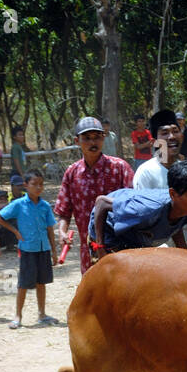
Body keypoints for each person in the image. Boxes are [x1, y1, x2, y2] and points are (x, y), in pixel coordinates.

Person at [54, 116, 133, 273]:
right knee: (93, 295)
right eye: (87, 138)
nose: (92, 142)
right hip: (88, 252)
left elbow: (133, 206)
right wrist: (62, 232)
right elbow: (64, 211)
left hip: (119, 249)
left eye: (97, 137)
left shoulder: (120, 168)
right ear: (77, 141)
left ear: (103, 138)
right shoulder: (72, 173)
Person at [90, 158, 187, 256]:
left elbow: (175, 226)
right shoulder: (147, 209)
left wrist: (186, 255)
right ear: (173, 194)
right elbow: (101, 203)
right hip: (107, 229)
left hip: (134, 237)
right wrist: (100, 246)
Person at [0, 169, 60, 329]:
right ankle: (18, 316)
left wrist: (54, 251)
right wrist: (16, 232)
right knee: (23, 284)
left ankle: (42, 314)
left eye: (41, 184)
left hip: (43, 248)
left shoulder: (45, 206)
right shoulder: (18, 204)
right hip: (27, 249)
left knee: (41, 282)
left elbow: (50, 229)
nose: (38, 187)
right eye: (34, 184)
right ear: (26, 185)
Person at [132, 109, 183, 190]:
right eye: (165, 133)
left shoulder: (184, 170)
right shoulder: (146, 172)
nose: (172, 137)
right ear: (155, 141)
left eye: (175, 131)